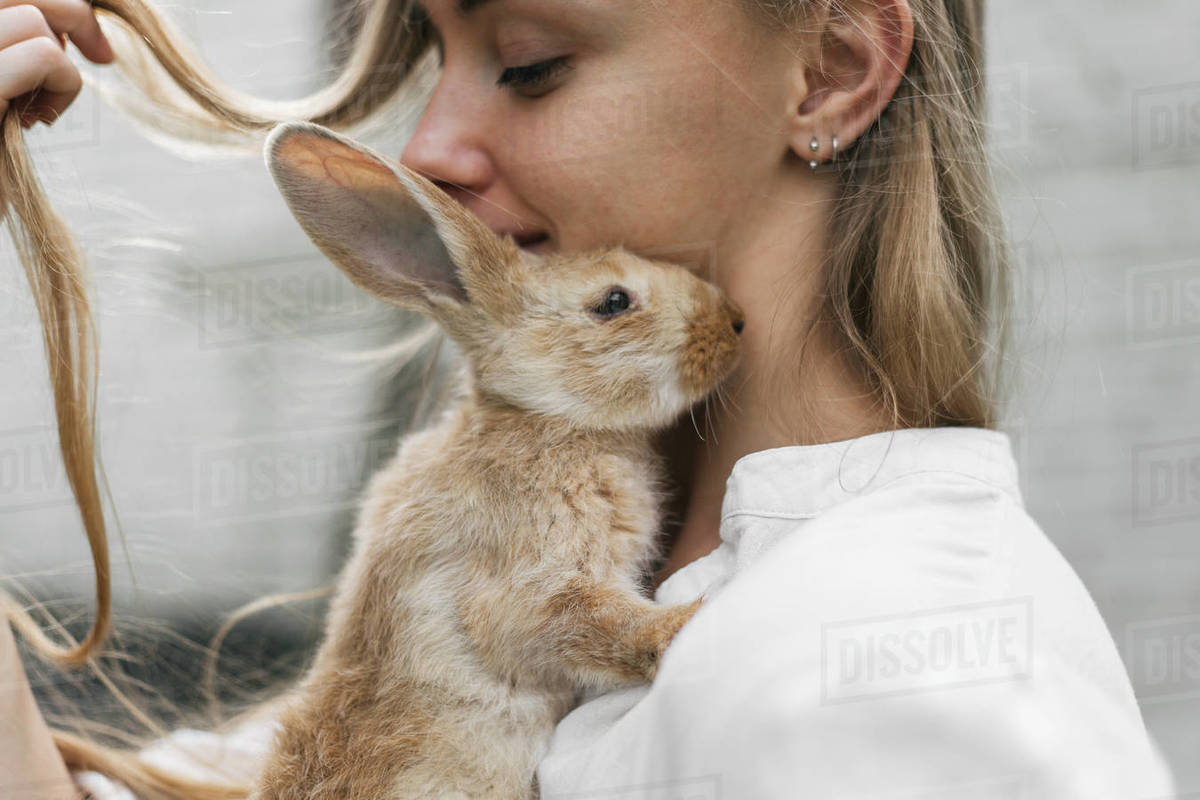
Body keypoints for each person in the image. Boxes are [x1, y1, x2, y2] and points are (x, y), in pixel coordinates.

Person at [0, 0, 1178, 798]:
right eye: (432, 59)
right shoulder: (486, 568)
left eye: (528, 61)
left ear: (828, 72)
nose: (429, 144)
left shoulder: (894, 662)